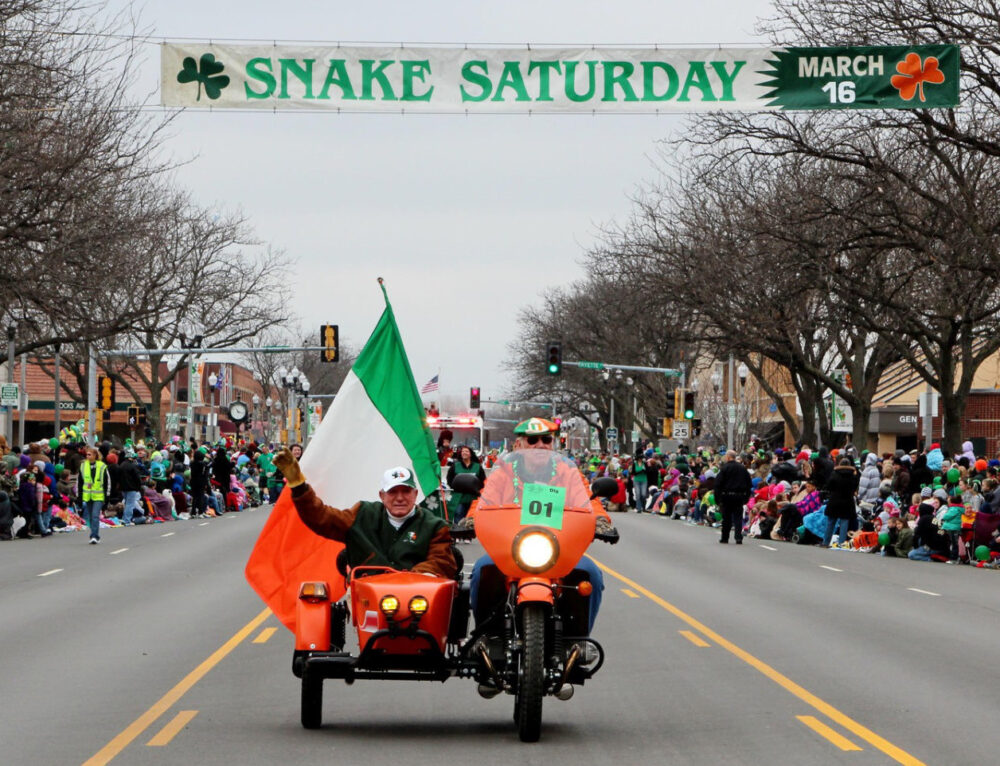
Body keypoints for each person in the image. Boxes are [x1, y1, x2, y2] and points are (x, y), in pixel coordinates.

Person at [460, 418, 617, 637]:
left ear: (553, 444)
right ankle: (486, 637)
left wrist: (600, 521)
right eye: (532, 440)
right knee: (481, 571)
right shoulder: (503, 472)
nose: (540, 445)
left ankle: (579, 640)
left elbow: (588, 500)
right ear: (519, 444)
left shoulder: (568, 472)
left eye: (546, 439)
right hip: (509, 550)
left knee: (590, 574)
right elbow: (483, 500)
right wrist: (470, 520)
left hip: (559, 551)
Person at [272, 448, 457, 577]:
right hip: (369, 596)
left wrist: (409, 578)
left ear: (415, 494)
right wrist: (299, 487)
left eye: (406, 491)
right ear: (382, 496)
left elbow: (441, 561)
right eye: (393, 492)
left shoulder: (434, 526)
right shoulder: (363, 514)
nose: (400, 498)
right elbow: (322, 518)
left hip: (417, 598)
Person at [714, 449, 752, 544]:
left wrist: (717, 498)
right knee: (738, 517)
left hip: (727, 496)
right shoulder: (742, 469)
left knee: (726, 518)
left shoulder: (724, 468)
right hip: (739, 496)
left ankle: (725, 537)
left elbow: (718, 484)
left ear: (728, 457)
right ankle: (738, 537)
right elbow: (749, 484)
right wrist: (746, 497)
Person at [823, 457, 860, 547]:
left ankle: (825, 542)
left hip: (834, 500)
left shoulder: (834, 474)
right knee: (844, 522)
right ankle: (841, 543)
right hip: (847, 501)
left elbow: (829, 486)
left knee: (831, 521)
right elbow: (854, 487)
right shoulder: (852, 476)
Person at [77, 447, 110, 544]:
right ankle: (93, 533)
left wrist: (107, 497)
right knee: (91, 517)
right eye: (86, 454)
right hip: (88, 496)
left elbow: (107, 482)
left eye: (89, 454)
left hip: (99, 496)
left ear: (95, 455)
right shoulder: (83, 466)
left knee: (95, 515)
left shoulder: (102, 466)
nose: (87, 456)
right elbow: (80, 482)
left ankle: (94, 536)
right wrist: (79, 495)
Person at [446, 445, 485, 524]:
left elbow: (483, 480)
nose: (464, 453)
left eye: (466, 451)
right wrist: (456, 487)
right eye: (463, 451)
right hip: (459, 498)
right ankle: (458, 535)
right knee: (459, 518)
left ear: (470, 454)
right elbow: (449, 479)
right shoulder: (455, 466)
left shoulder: (478, 467)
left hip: (473, 498)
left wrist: (477, 489)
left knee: (472, 520)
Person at [119, 451, 143, 526]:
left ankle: (124, 519)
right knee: (130, 504)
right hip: (131, 488)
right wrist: (138, 487)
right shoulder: (132, 466)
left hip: (123, 488)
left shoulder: (121, 465)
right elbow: (137, 478)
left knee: (126, 503)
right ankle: (127, 520)